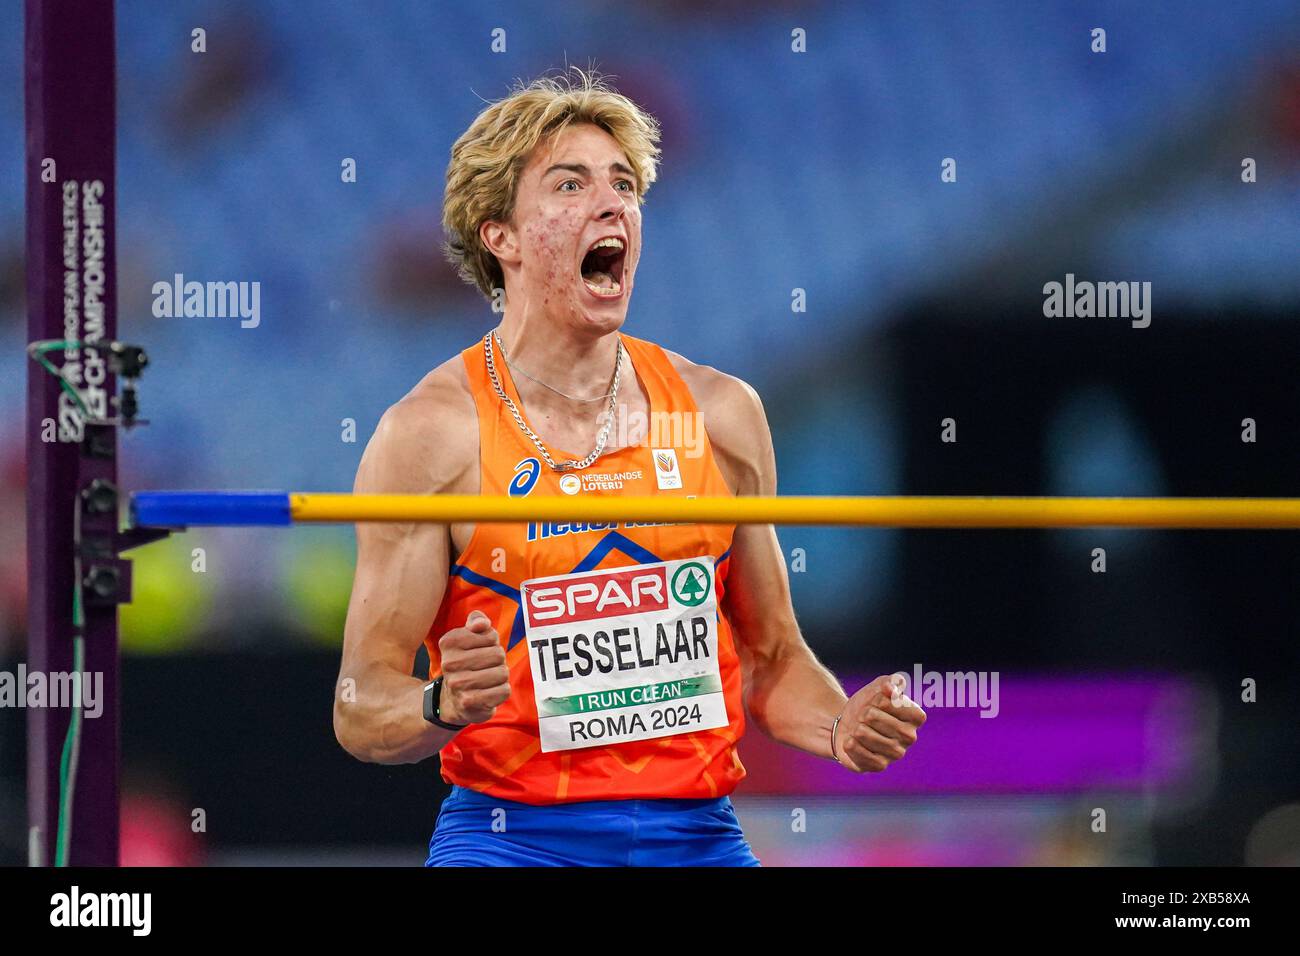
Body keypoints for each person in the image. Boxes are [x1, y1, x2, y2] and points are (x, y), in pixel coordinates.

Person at [333, 69, 925, 867]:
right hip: (513, 840)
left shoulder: (721, 415)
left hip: (697, 836)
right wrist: (439, 702)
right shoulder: (431, 435)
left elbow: (774, 659)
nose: (611, 204)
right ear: (497, 234)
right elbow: (360, 704)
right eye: (570, 184)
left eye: (624, 185)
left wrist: (839, 724)